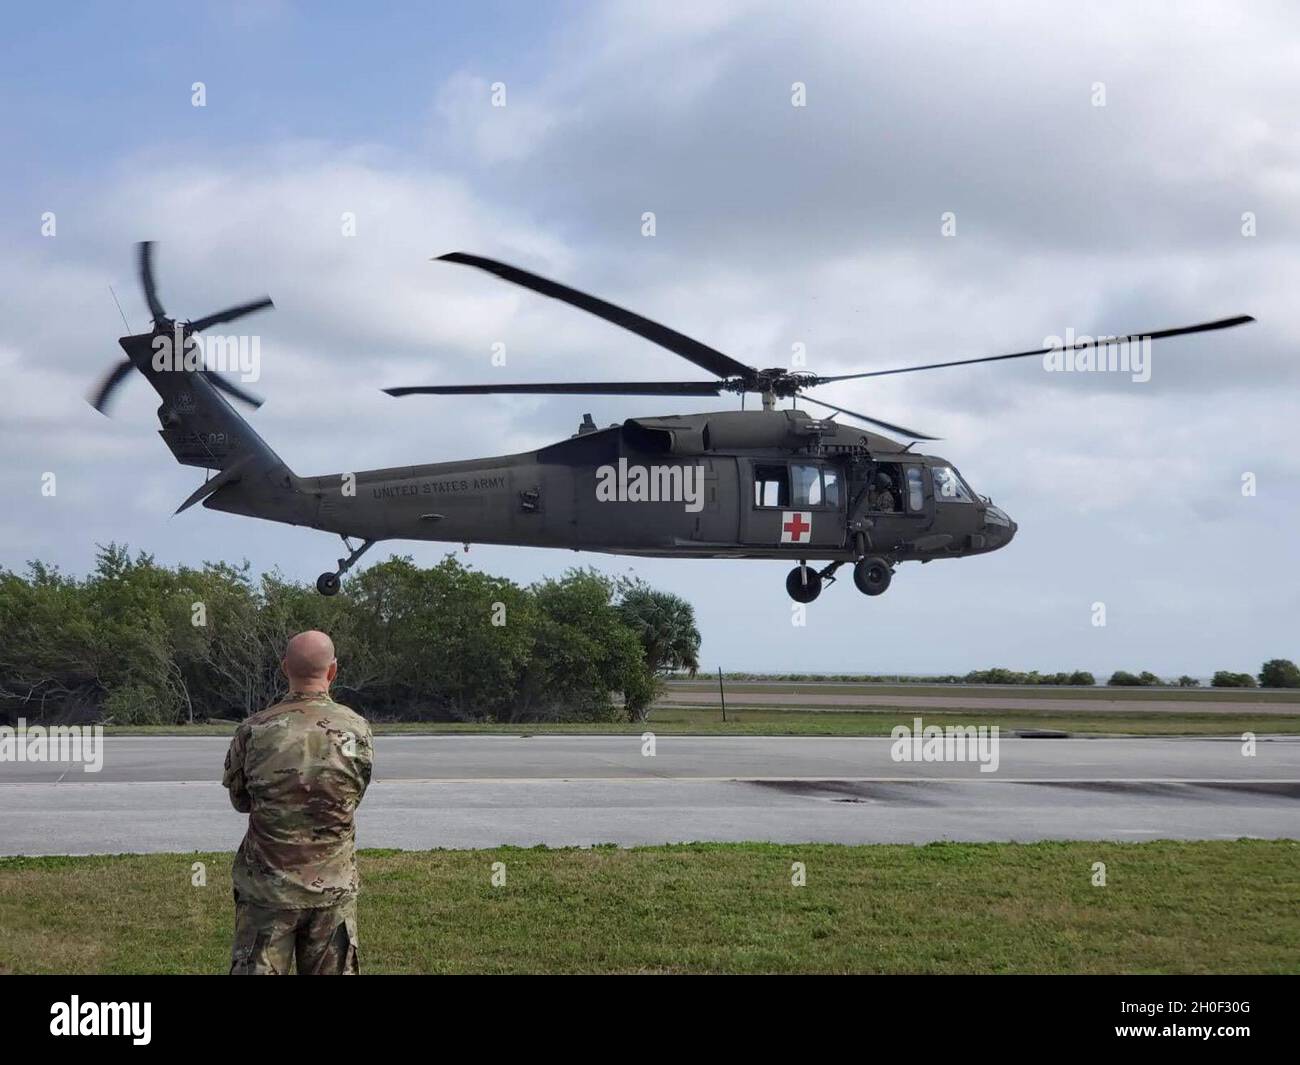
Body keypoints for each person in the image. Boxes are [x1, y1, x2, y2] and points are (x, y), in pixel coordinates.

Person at [222, 629, 374, 975]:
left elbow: (240, 799)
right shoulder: (357, 730)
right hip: (332, 891)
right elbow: (352, 794)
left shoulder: (255, 730)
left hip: (267, 893)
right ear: (332, 671)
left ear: (285, 668)